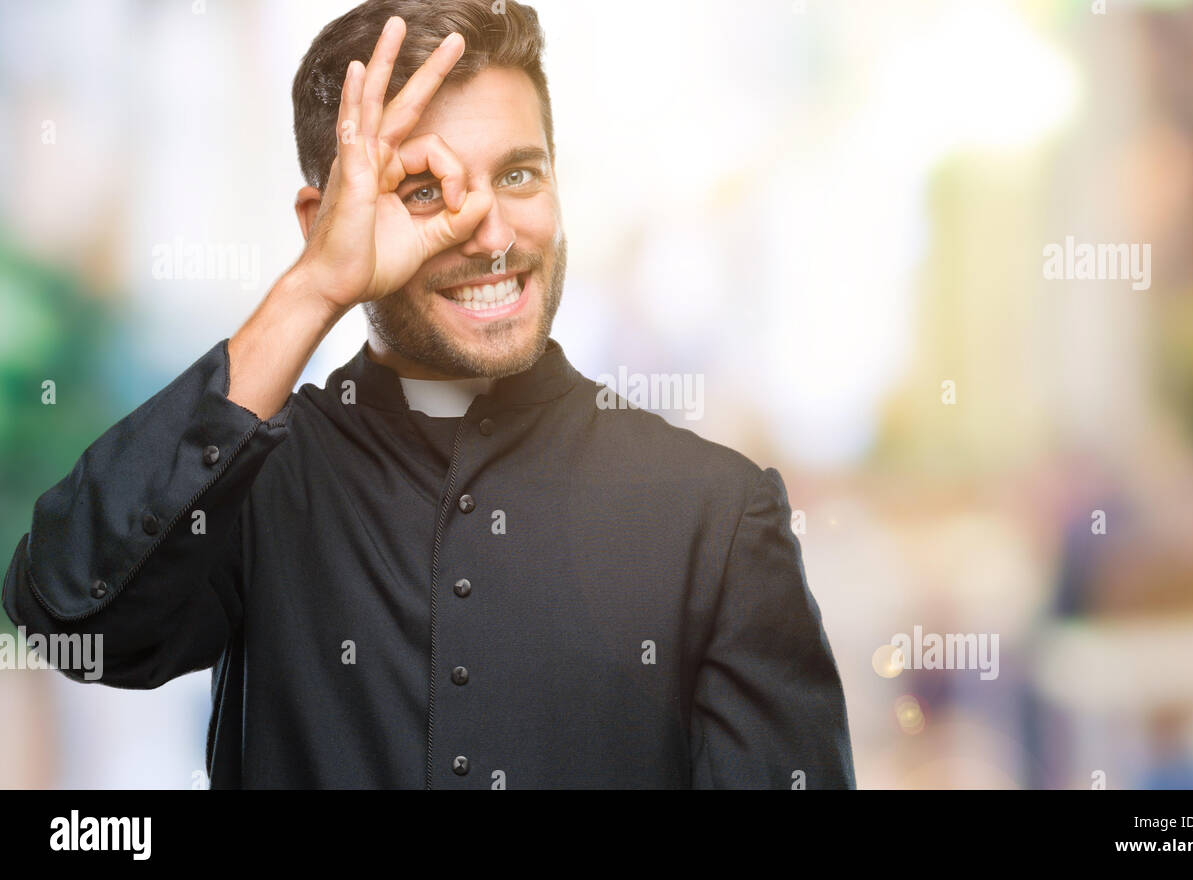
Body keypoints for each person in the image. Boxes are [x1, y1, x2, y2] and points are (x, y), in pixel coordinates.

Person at [2, 0, 854, 789]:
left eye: (519, 175)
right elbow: (65, 616)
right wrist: (310, 291)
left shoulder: (716, 515)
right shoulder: (253, 489)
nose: (487, 230)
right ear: (322, 221)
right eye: (422, 192)